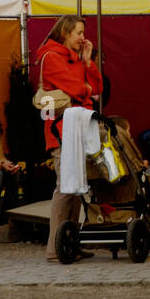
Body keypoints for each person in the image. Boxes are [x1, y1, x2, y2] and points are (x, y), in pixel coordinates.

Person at [37, 15, 101, 262]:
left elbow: (96, 89)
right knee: (65, 186)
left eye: (83, 32)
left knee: (75, 188)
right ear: (64, 33)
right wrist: (84, 87)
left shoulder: (74, 59)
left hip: (77, 128)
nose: (82, 37)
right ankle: (55, 247)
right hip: (61, 130)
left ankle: (69, 242)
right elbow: (77, 89)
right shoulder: (51, 57)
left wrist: (87, 63)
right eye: (78, 32)